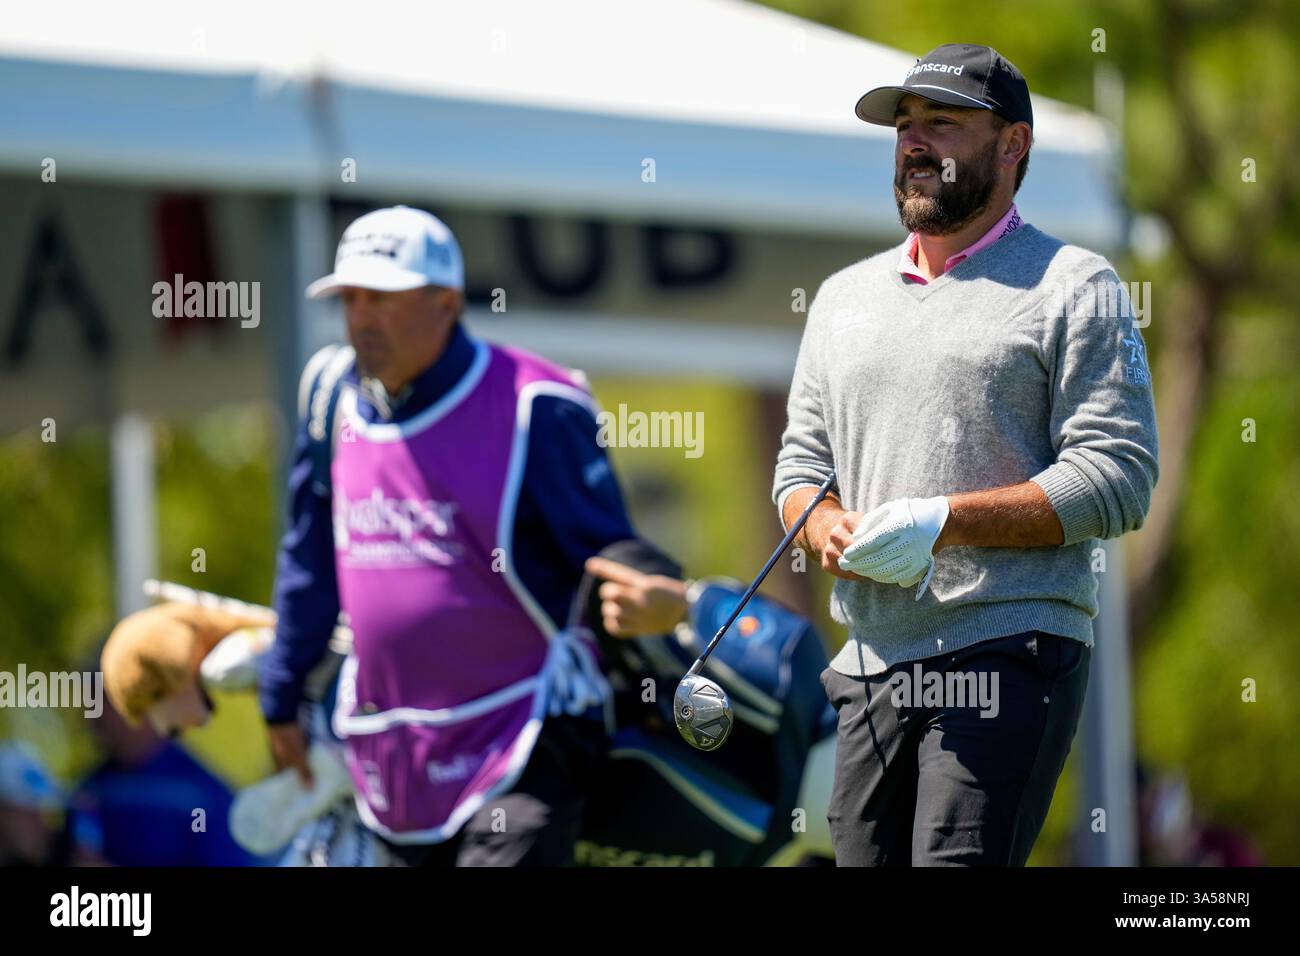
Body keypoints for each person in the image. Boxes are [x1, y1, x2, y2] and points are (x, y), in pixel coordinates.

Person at [772, 44, 1159, 865]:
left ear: (1013, 144)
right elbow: (801, 468)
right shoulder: (843, 299)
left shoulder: (1076, 284)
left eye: (941, 124)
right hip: (871, 664)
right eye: (905, 127)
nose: (914, 143)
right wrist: (825, 525)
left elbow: (1117, 479)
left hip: (1005, 647)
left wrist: (943, 521)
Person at [263, 205, 637, 865]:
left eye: (381, 297)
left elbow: (611, 554)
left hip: (524, 733)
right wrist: (282, 692)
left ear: (446, 303)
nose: (361, 318)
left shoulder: (535, 403)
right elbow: (309, 560)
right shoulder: (329, 398)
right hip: (392, 748)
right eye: (350, 298)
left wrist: (658, 595)